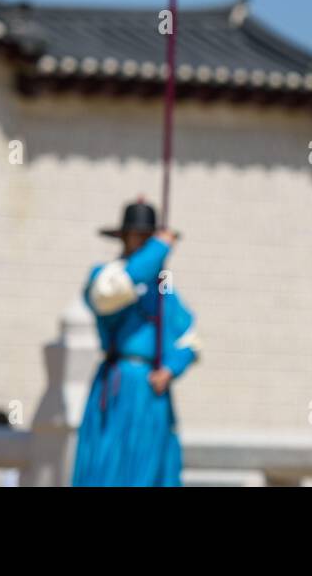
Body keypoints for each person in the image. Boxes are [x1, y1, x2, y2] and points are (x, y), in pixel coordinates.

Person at [72, 198, 200, 486]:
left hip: (151, 393)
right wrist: (158, 249)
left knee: (152, 471)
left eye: (148, 238)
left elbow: (189, 339)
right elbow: (110, 293)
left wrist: (170, 369)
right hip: (118, 388)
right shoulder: (106, 277)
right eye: (138, 236)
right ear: (125, 237)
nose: (143, 242)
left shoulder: (164, 292)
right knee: (108, 467)